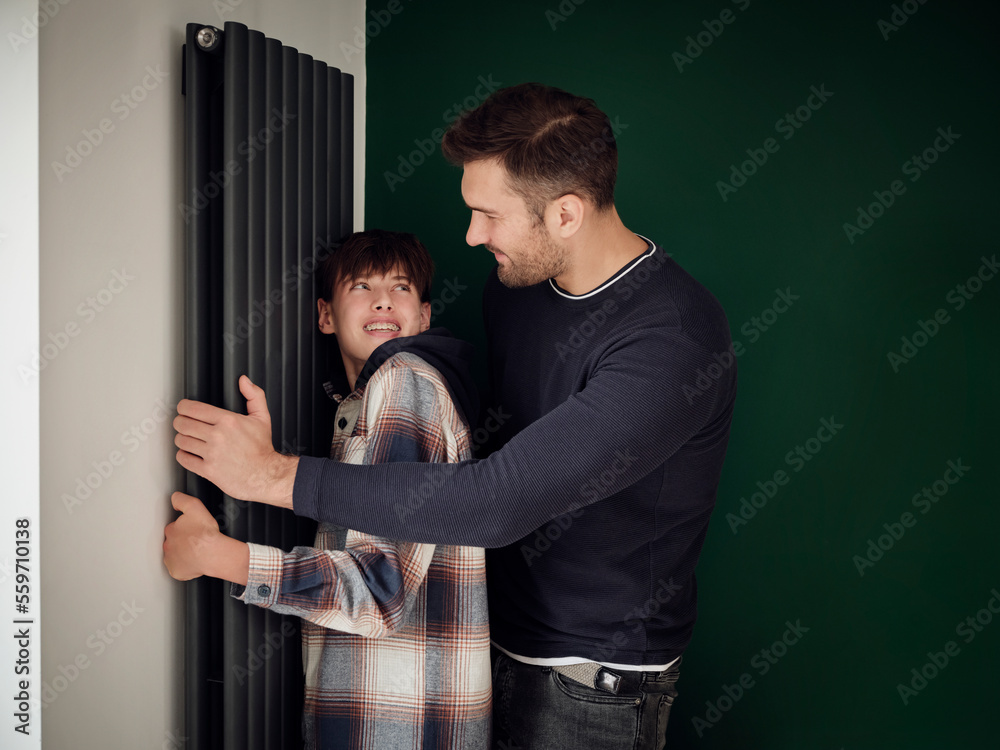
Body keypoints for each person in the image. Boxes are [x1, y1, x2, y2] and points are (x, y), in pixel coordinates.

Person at [174, 83, 737, 750]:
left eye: (489, 215)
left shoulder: (672, 341)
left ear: (565, 214)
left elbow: (499, 500)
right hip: (486, 641)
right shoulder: (518, 290)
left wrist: (272, 476)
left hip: (593, 677)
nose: (472, 236)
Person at [164, 230, 491, 750]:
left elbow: (382, 590)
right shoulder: (365, 403)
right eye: (362, 285)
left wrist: (216, 555)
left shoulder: (404, 380)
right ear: (324, 314)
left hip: (397, 731)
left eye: (401, 287)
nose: (383, 299)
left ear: (424, 317)